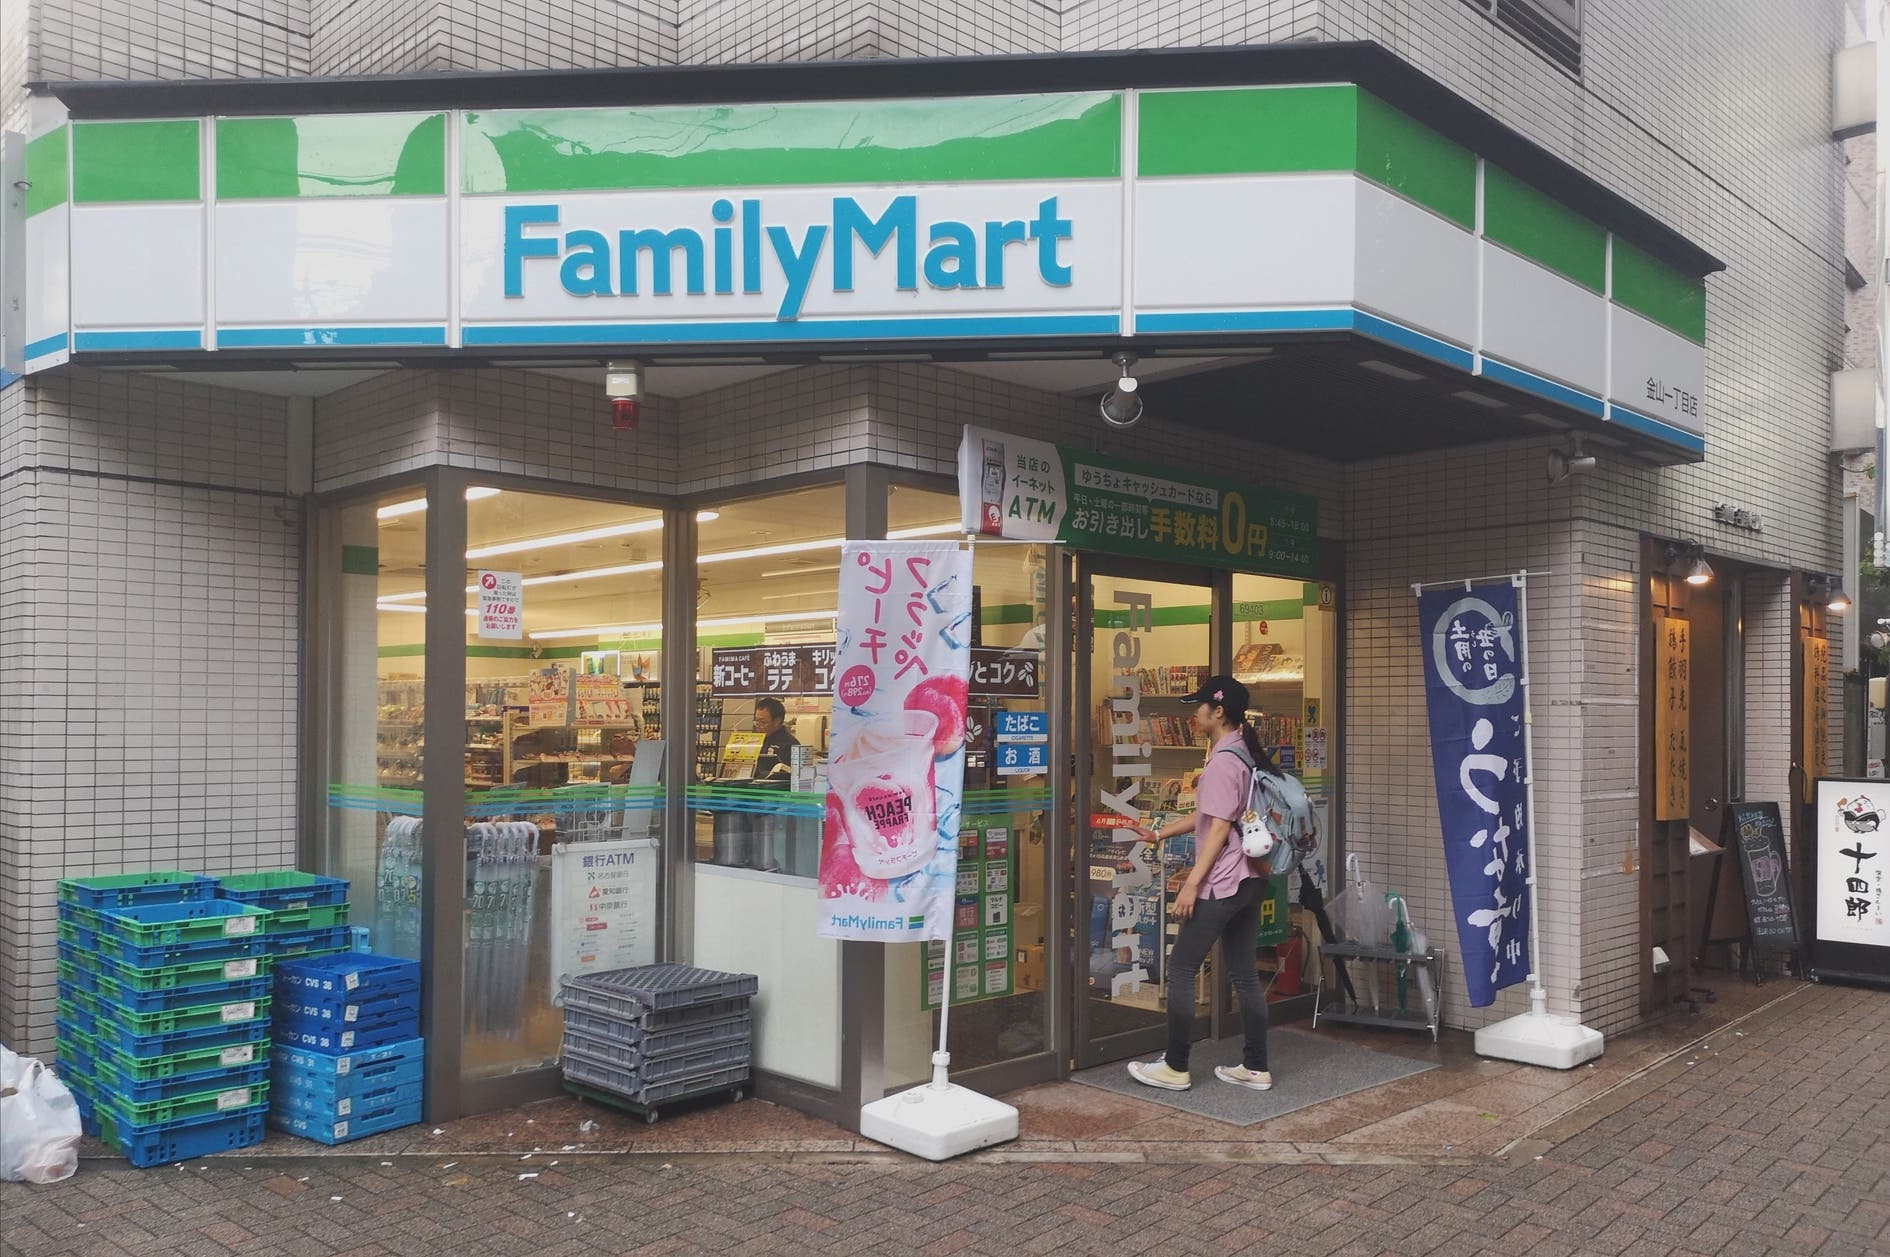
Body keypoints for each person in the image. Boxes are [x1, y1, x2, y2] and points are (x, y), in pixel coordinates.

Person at [1126, 675, 1276, 1093]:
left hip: (1224, 882)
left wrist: (1192, 884)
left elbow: (1217, 829)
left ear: (1219, 712)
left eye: (1200, 706)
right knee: (1245, 975)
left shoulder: (1225, 761)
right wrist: (1159, 834)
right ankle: (1256, 1067)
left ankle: (1175, 1067)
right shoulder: (1241, 754)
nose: (1194, 713)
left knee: (1181, 969)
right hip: (1249, 879)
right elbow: (1209, 816)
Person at [751, 697, 799, 783]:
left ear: (777, 721)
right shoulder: (756, 740)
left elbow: (793, 775)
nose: (758, 726)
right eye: (756, 721)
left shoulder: (790, 744)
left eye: (763, 722)